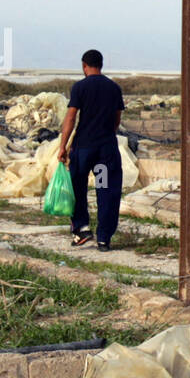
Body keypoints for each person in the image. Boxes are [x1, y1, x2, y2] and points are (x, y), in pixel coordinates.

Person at [57, 49, 124, 251]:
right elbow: (117, 119)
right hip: (105, 152)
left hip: (83, 149)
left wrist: (62, 146)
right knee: (104, 190)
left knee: (78, 188)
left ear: (84, 66)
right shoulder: (114, 88)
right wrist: (107, 135)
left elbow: (70, 118)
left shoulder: (80, 87)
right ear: (101, 65)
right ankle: (104, 238)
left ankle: (82, 228)